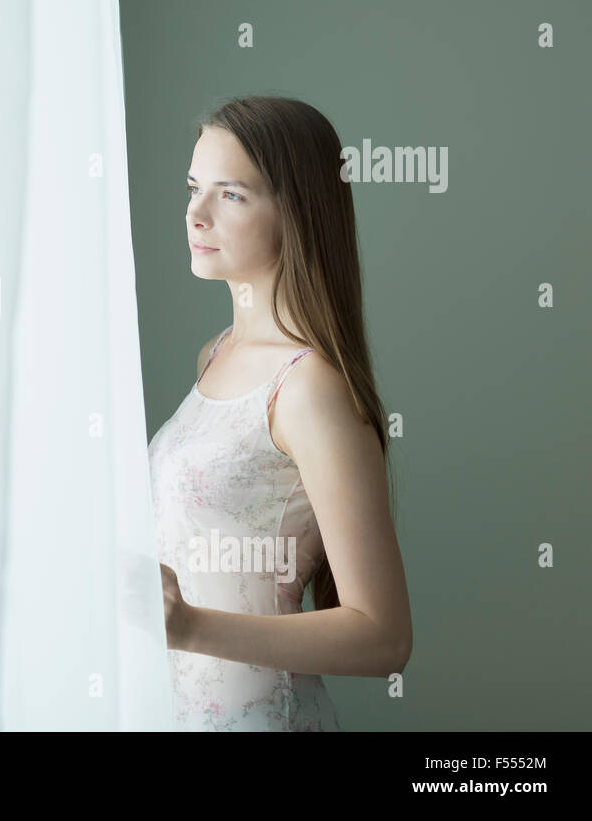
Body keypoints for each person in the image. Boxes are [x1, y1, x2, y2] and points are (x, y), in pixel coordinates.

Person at [148, 95, 412, 731]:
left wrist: (187, 626)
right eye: (193, 188)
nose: (196, 214)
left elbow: (383, 638)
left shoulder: (309, 387)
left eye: (230, 195)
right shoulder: (214, 355)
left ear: (297, 211)